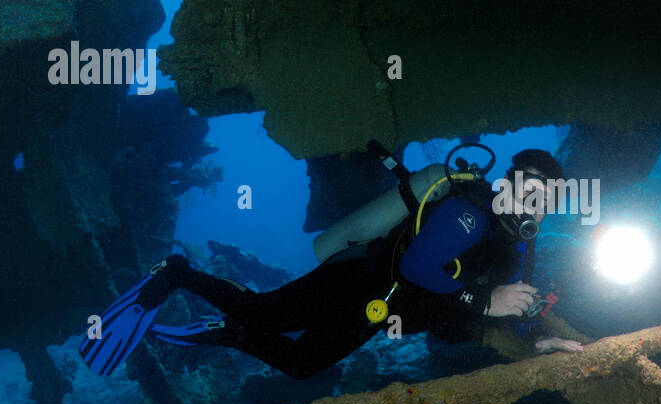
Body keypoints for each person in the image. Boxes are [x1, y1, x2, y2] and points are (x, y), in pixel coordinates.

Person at [80, 148, 583, 379]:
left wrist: (539, 335)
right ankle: (175, 273)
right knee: (264, 315)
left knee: (299, 364)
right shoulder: (468, 217)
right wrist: (482, 299)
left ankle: (223, 332)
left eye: (548, 200)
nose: (537, 205)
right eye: (531, 191)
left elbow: (506, 305)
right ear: (510, 182)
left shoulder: (515, 245)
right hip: (358, 284)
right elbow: (418, 269)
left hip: (380, 312)